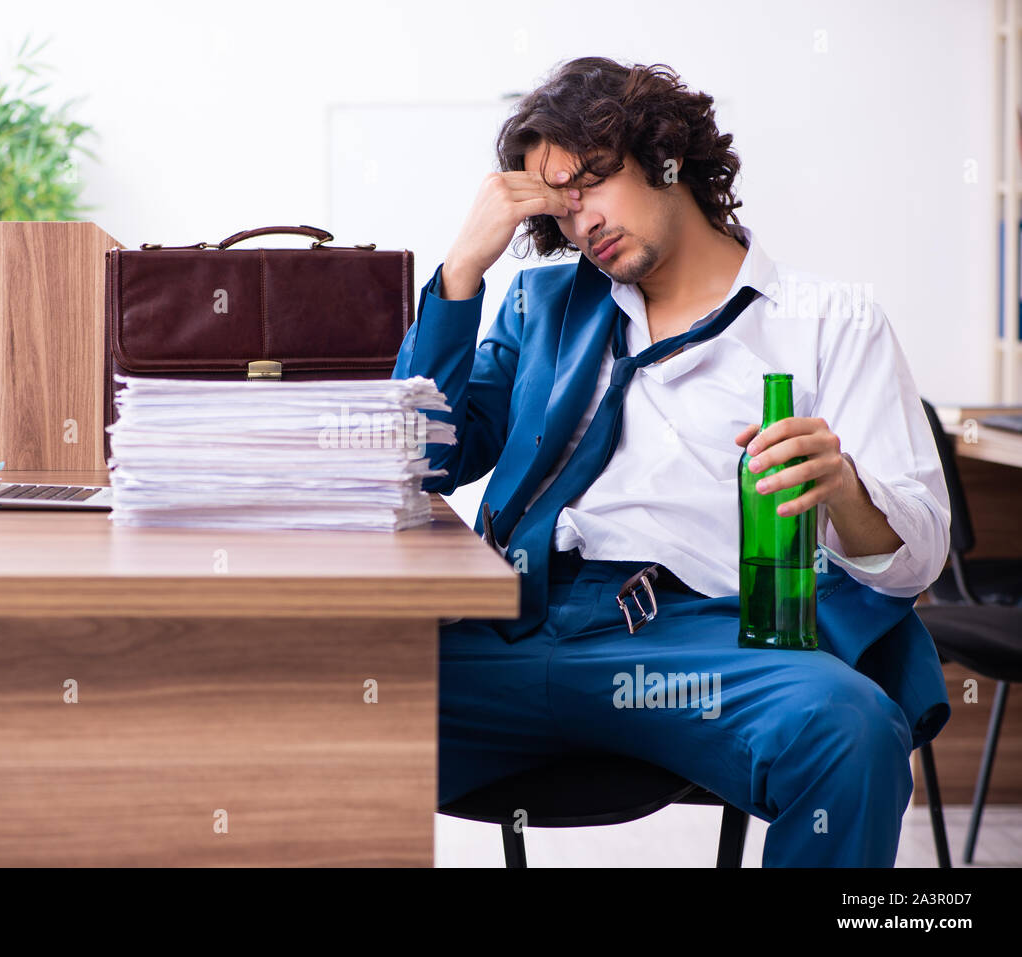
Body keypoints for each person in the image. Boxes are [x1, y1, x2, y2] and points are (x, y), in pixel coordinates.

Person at [394, 56, 952, 867]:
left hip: (702, 644)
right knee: (301, 703)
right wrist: (460, 272)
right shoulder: (539, 307)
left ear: (665, 156)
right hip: (512, 627)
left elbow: (914, 561)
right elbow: (415, 461)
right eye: (560, 202)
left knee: (849, 730)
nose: (581, 220)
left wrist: (843, 489)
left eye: (591, 180)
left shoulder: (829, 321)